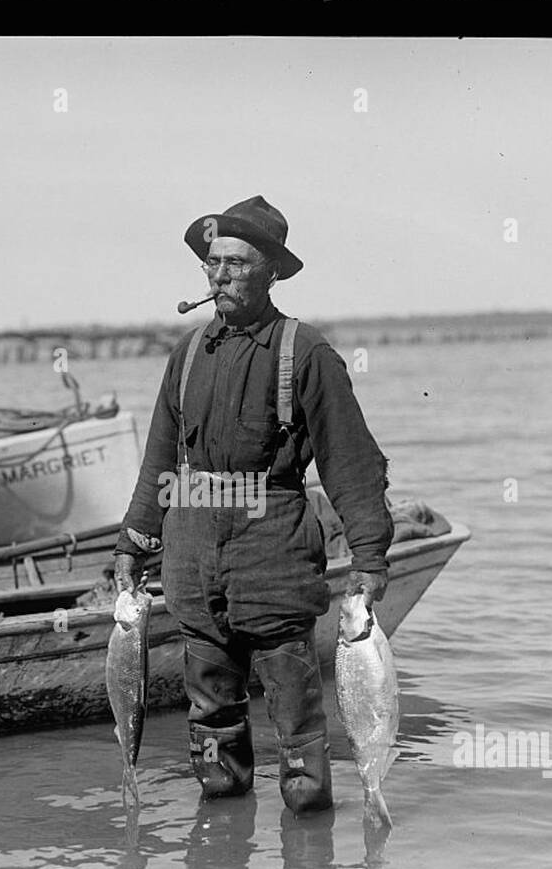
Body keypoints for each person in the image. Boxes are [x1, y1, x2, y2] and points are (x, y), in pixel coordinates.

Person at [113, 195, 394, 815]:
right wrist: (134, 543)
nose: (220, 276)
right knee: (210, 717)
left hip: (273, 556)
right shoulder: (184, 356)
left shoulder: (306, 351)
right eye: (212, 263)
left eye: (237, 264)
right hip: (190, 556)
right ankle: (219, 862)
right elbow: (160, 462)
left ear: (271, 271)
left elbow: (351, 463)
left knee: (295, 718)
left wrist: (370, 559)